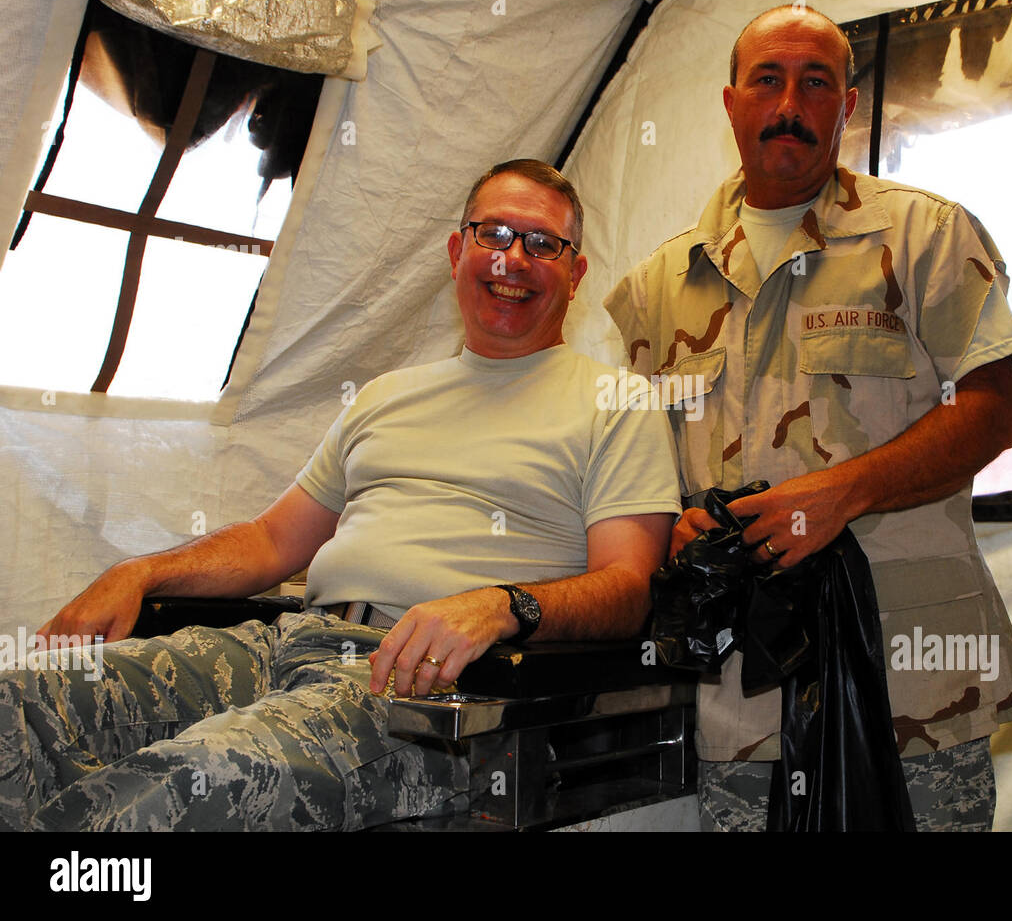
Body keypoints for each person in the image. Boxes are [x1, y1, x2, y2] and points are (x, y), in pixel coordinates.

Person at [0, 159, 682, 831]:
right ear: (457, 251)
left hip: (431, 687)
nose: (514, 259)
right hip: (288, 639)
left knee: (186, 785)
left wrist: (505, 604)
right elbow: (272, 541)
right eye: (493, 234)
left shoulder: (615, 403)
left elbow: (629, 588)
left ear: (576, 273)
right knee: (17, 705)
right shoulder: (385, 396)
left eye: (543, 244)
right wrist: (138, 572)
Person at [604, 6, 1012, 831]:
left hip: (909, 681)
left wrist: (842, 494)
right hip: (738, 691)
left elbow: (991, 415)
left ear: (848, 105)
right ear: (732, 102)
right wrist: (673, 527)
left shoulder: (925, 235)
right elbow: (638, 457)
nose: (790, 104)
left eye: (817, 83)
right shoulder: (659, 285)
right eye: (768, 80)